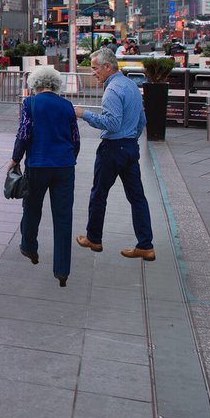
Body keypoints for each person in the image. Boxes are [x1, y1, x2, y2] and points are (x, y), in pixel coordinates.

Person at [76, 47, 157, 261]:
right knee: (137, 198)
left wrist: (84, 114)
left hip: (113, 149)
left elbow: (111, 123)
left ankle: (94, 238)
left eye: (95, 69)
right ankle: (146, 245)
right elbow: (141, 121)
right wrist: (131, 139)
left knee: (99, 194)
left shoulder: (112, 91)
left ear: (107, 67)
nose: (93, 73)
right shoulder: (131, 85)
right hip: (130, 147)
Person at [11, 66, 81, 287]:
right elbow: (75, 138)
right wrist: (69, 157)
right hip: (64, 166)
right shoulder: (67, 106)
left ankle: (29, 247)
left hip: (38, 164)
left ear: (35, 84)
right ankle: (62, 272)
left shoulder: (30, 104)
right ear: (54, 84)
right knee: (63, 217)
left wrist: (15, 159)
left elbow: (24, 133)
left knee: (32, 208)